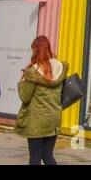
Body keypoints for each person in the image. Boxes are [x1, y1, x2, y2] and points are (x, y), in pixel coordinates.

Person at [15, 36, 67, 166]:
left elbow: (25, 97)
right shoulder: (60, 67)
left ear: (36, 51)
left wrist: (22, 81)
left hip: (37, 121)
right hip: (54, 119)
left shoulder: (33, 71)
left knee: (35, 157)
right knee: (47, 155)